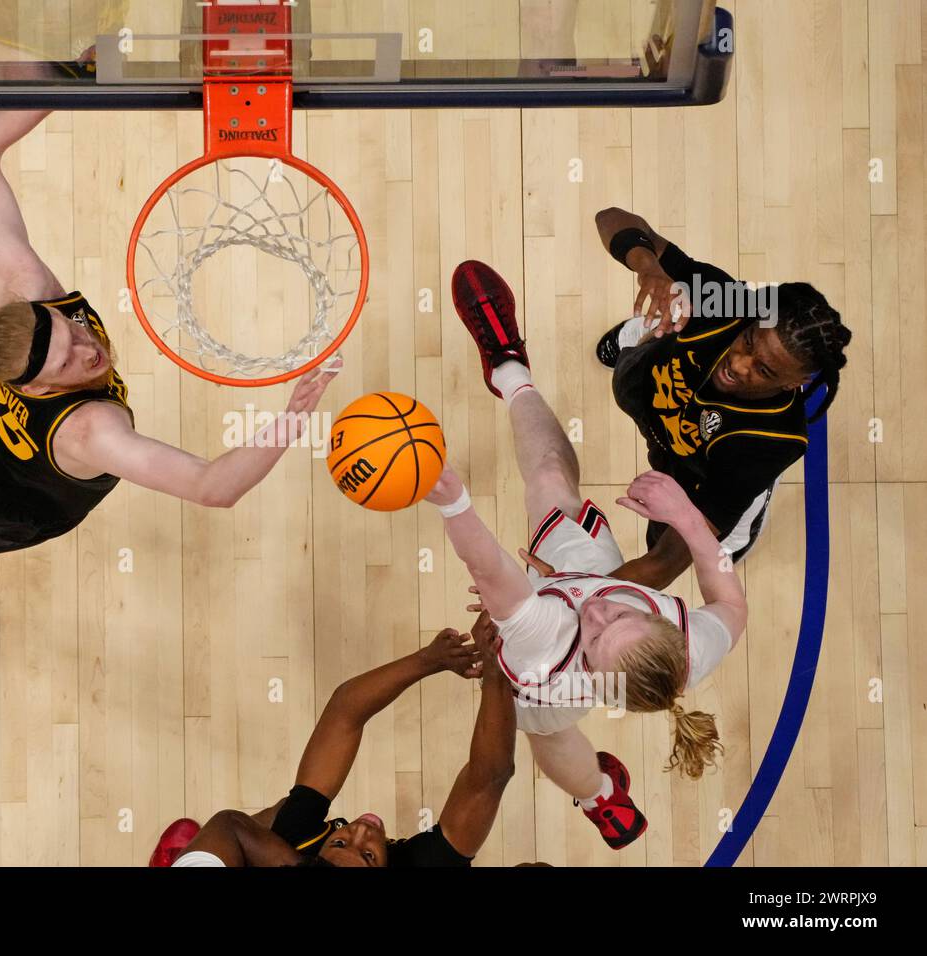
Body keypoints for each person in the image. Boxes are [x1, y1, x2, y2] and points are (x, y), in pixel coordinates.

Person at [0, 109, 339, 620]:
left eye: (75, 331)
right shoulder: (94, 430)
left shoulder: (24, 288)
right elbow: (213, 488)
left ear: (43, 309)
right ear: (37, 388)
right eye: (68, 362)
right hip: (2, 479)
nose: (90, 351)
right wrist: (294, 416)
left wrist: (61, 82)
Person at [441, 259, 748, 848]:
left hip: (538, 679)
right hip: (580, 579)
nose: (598, 610)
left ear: (590, 667)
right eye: (623, 614)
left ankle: (597, 796)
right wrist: (687, 518)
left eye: (597, 634)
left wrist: (453, 501)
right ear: (669, 626)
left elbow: (489, 567)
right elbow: (731, 602)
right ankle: (509, 369)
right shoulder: (696, 646)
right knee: (550, 480)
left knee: (550, 735)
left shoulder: (545, 658)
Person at [589, 207, 852, 588]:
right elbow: (610, 217)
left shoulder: (770, 442)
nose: (739, 365)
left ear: (794, 383)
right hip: (650, 391)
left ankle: (745, 522)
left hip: (696, 470)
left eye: (764, 371)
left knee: (688, 540)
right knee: (655, 333)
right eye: (748, 342)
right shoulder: (728, 303)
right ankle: (636, 331)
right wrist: (648, 266)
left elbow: (663, 564)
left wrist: (572, 600)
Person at [151, 620, 516, 867]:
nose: (361, 830)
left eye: (340, 842)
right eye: (369, 855)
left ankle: (190, 855)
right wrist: (495, 667)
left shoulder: (295, 843)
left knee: (281, 815)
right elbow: (491, 776)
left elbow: (345, 711)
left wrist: (429, 660)